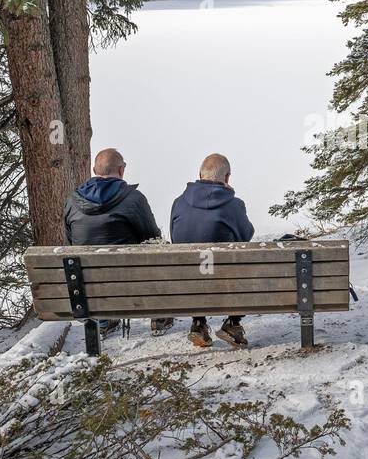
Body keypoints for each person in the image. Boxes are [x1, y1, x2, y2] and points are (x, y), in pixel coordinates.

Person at [63, 148, 161, 337]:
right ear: (121, 170)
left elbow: (69, 243)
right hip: (128, 285)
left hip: (85, 290)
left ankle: (104, 320)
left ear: (94, 170)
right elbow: (152, 238)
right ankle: (159, 316)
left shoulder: (72, 202)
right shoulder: (134, 199)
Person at [170, 153, 254, 349]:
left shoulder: (178, 203)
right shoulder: (234, 204)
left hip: (191, 281)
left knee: (197, 264)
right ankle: (233, 324)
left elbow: (176, 240)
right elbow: (246, 236)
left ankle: (198, 323)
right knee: (241, 265)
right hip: (225, 281)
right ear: (227, 178)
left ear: (200, 174)